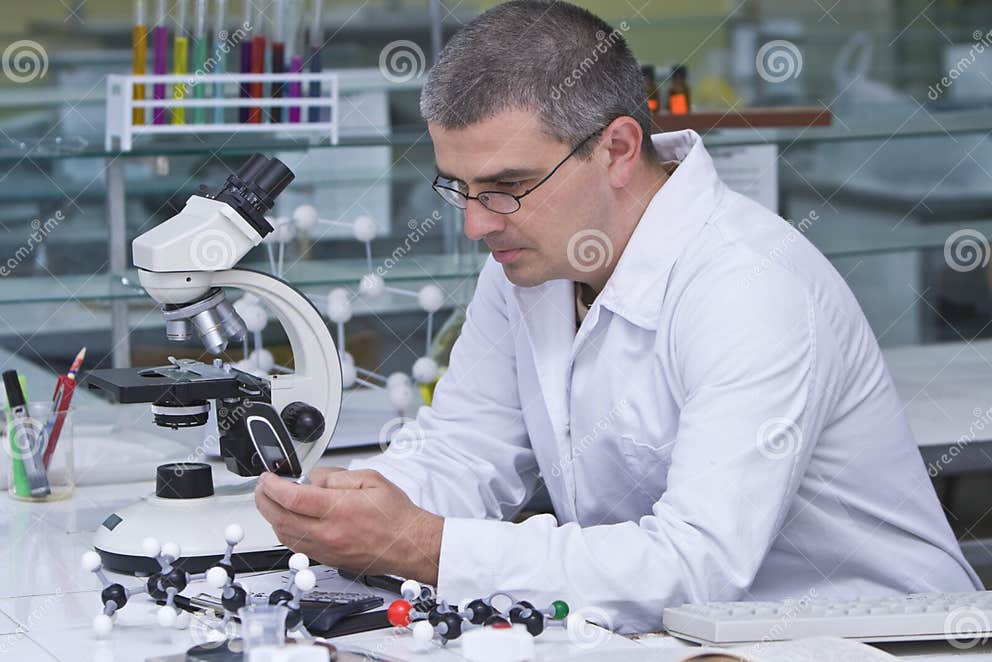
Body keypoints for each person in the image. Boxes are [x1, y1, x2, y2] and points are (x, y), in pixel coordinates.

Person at [255, 0, 980, 633]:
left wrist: (423, 546)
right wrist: (348, 509)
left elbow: (696, 563)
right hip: (678, 637)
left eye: (506, 185)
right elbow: (467, 450)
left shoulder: (747, 286)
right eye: (460, 189)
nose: (477, 224)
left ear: (619, 149)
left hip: (874, 637)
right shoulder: (532, 259)